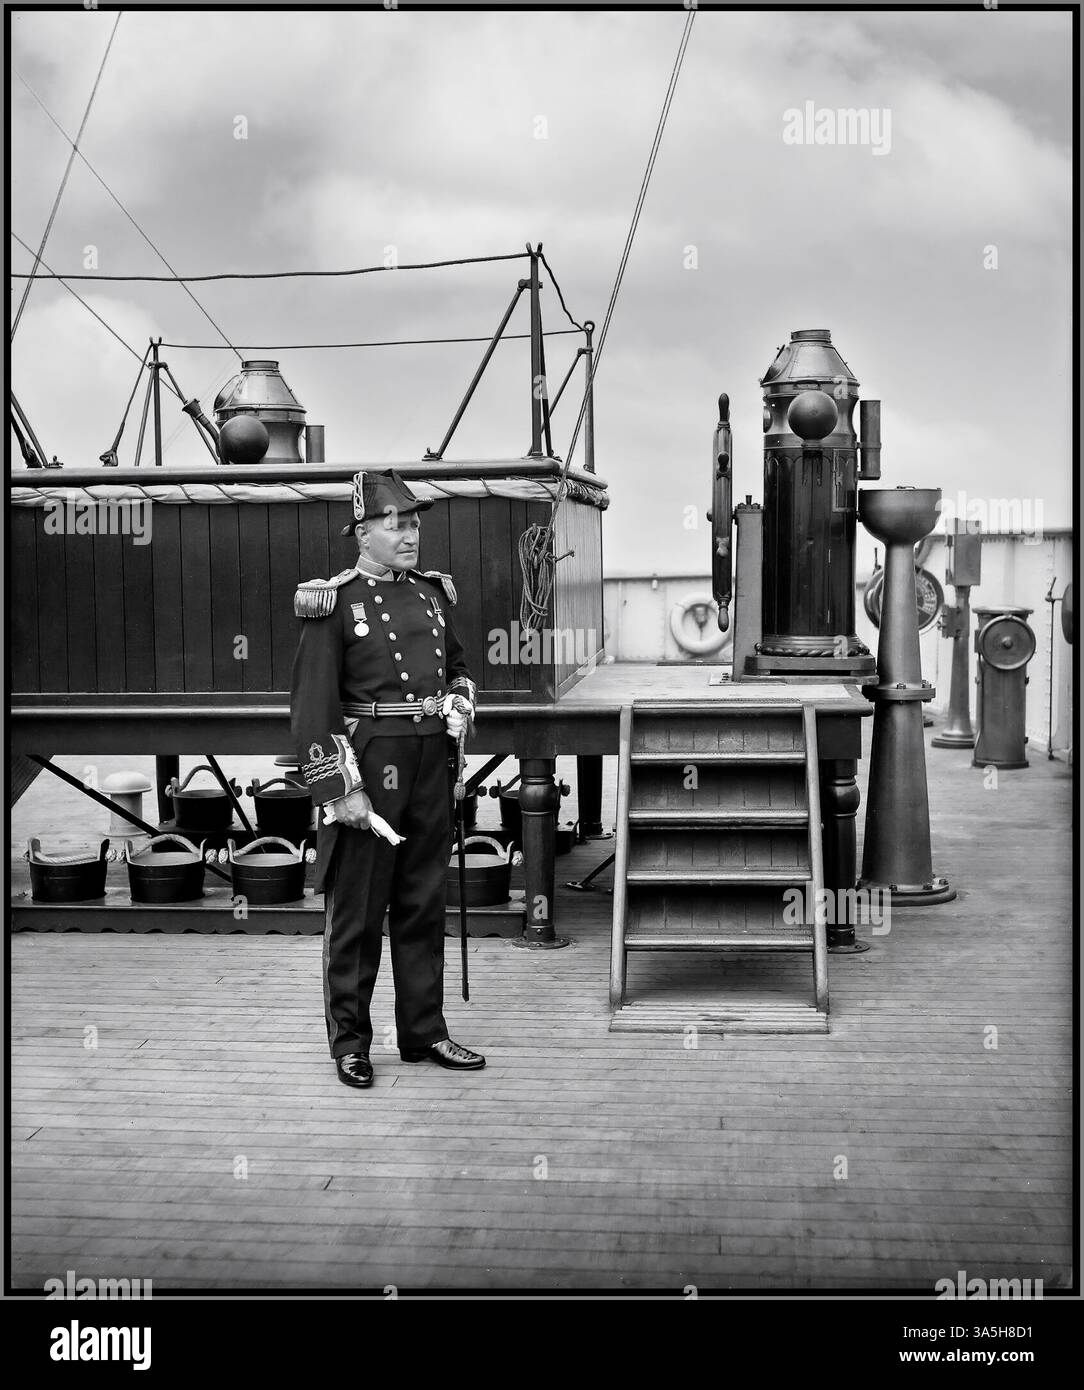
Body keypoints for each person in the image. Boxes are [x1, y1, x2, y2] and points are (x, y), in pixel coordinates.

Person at [290, 469, 486, 1089]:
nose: (408, 535)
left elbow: (457, 669)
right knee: (357, 909)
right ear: (362, 533)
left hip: (430, 759)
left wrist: (459, 704)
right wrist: (339, 789)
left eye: (413, 522)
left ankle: (425, 1031)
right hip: (370, 763)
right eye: (394, 524)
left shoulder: (430, 593)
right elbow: (312, 707)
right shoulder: (335, 601)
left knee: (423, 901)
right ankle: (350, 1041)